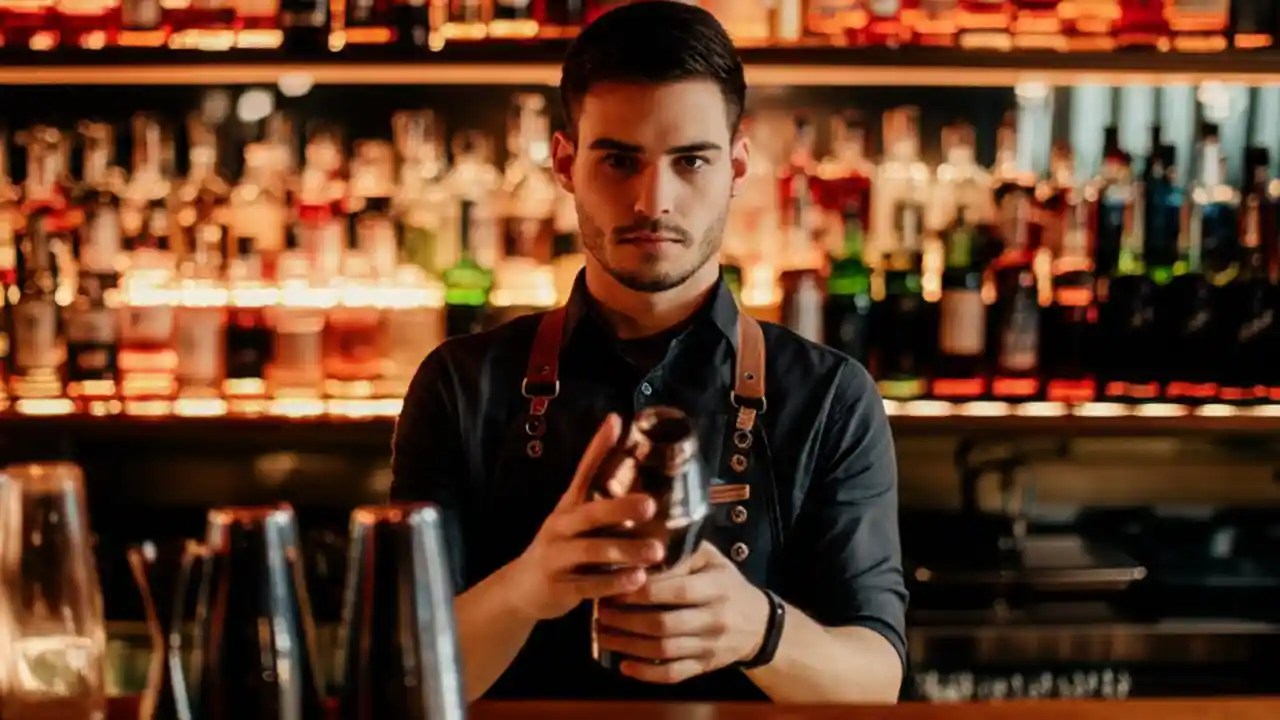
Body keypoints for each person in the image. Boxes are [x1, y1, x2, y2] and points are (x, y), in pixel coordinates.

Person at [391, 0, 906, 704]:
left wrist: (761, 627)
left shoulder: (829, 396)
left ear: (737, 163)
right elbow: (401, 680)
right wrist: (528, 586)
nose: (652, 200)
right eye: (619, 160)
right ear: (566, 162)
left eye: (690, 160)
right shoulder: (461, 383)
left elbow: (876, 681)